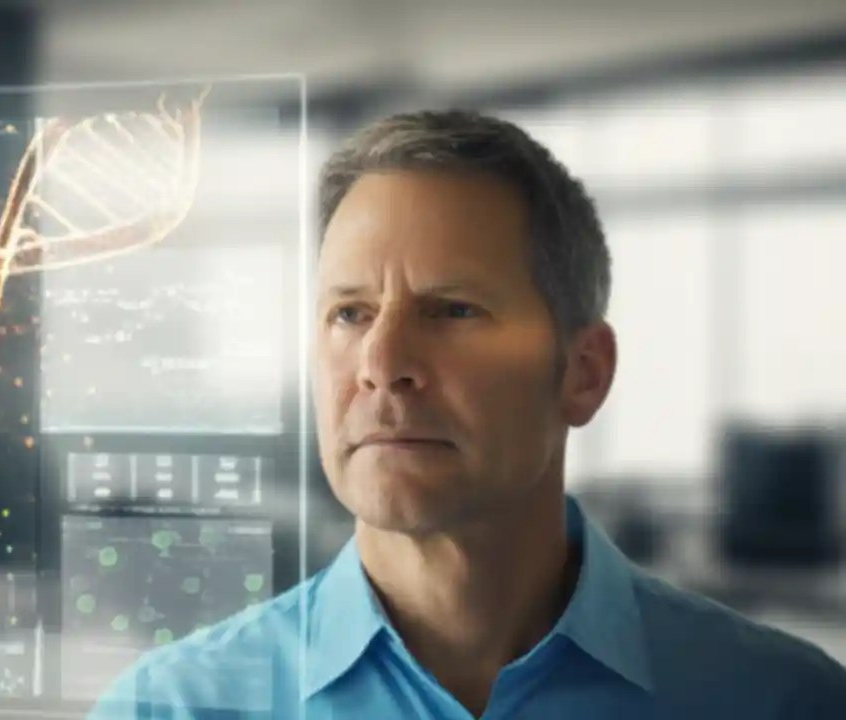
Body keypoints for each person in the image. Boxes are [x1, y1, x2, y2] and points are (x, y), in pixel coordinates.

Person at [88, 110, 846, 719]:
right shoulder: (171, 708)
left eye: (452, 309)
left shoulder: (784, 701)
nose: (382, 365)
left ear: (584, 373)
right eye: (350, 313)